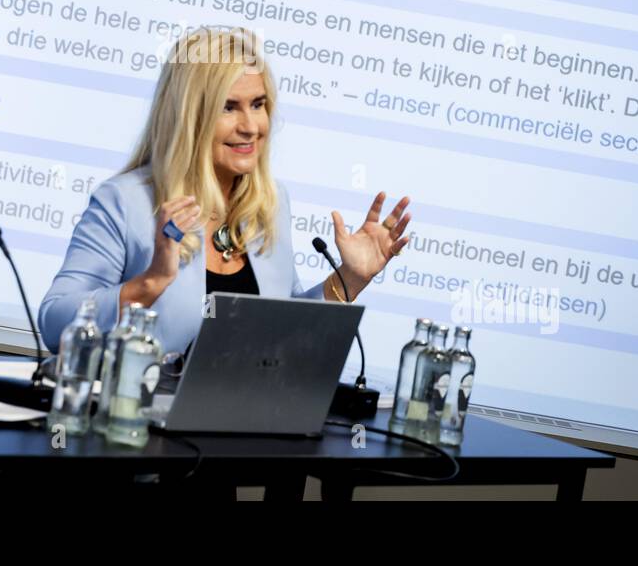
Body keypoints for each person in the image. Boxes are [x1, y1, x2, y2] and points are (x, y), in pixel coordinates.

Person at [38, 25, 412, 358]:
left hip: (244, 423)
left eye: (259, 105)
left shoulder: (270, 203)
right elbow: (55, 323)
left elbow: (281, 328)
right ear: (191, 116)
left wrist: (351, 277)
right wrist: (150, 281)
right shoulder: (125, 201)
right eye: (229, 107)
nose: (251, 126)